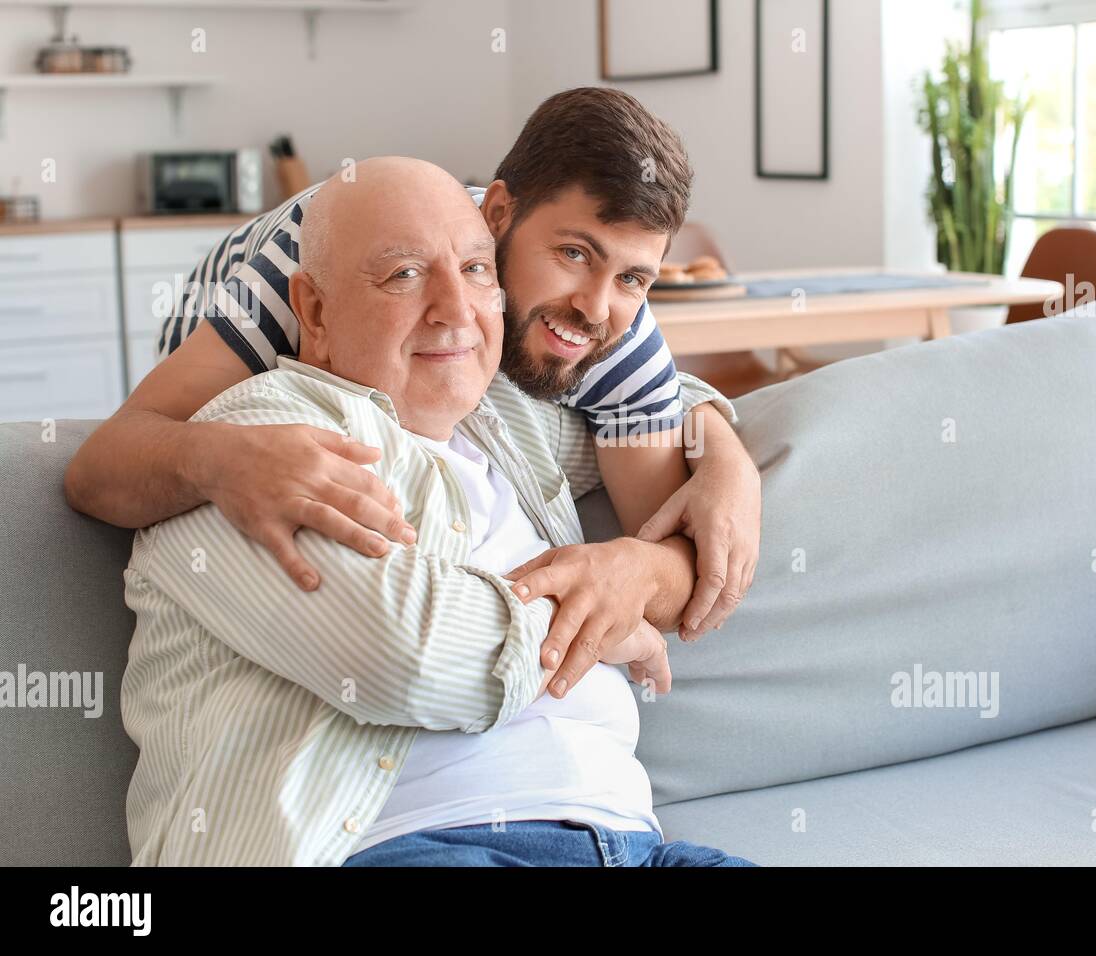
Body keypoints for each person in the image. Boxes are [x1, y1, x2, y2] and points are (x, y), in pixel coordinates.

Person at [122, 157, 755, 867]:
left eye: (478, 271)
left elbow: (653, 414)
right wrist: (605, 619)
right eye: (404, 274)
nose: (456, 310)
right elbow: (404, 655)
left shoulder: (509, 423)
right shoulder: (255, 443)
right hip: (409, 846)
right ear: (317, 314)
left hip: (636, 847)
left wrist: (724, 455)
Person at [65, 90, 762, 695]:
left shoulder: (609, 328)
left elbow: (673, 558)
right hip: (225, 324)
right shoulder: (320, 260)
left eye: (633, 278)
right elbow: (103, 466)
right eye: (571, 254)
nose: (594, 307)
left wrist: (712, 477)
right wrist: (221, 458)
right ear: (497, 217)